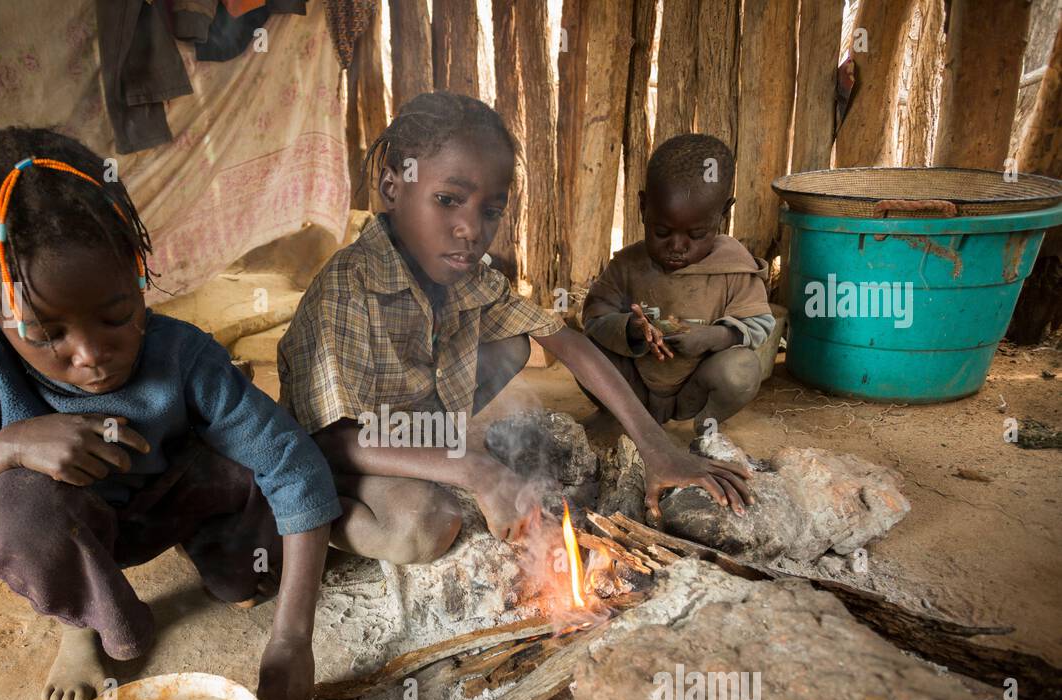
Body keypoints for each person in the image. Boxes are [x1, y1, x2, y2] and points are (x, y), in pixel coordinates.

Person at [0, 127, 339, 700]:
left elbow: (295, 465)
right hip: (78, 527)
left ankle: (213, 550)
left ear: (138, 271)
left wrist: (292, 637)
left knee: (258, 502)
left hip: (174, 501)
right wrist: (10, 446)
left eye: (116, 314)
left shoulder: (181, 354)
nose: (91, 354)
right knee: (20, 507)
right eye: (46, 332)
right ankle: (83, 626)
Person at [276, 93, 752, 567]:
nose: (470, 229)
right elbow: (333, 438)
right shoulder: (349, 287)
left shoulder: (467, 275)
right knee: (424, 526)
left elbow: (565, 340)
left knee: (516, 342)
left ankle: (434, 448)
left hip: (414, 426)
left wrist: (656, 447)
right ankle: (294, 511)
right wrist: (476, 471)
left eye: (490, 210)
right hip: (341, 446)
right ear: (393, 187)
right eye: (447, 200)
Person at [580, 133, 775, 434]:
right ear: (643, 207)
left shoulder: (734, 267)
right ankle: (618, 415)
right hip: (633, 387)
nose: (677, 246)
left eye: (696, 235)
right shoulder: (628, 264)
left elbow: (760, 325)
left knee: (742, 368)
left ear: (723, 214)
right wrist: (629, 329)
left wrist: (715, 337)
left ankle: (706, 427)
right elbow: (594, 316)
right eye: (661, 231)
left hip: (694, 388)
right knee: (584, 351)